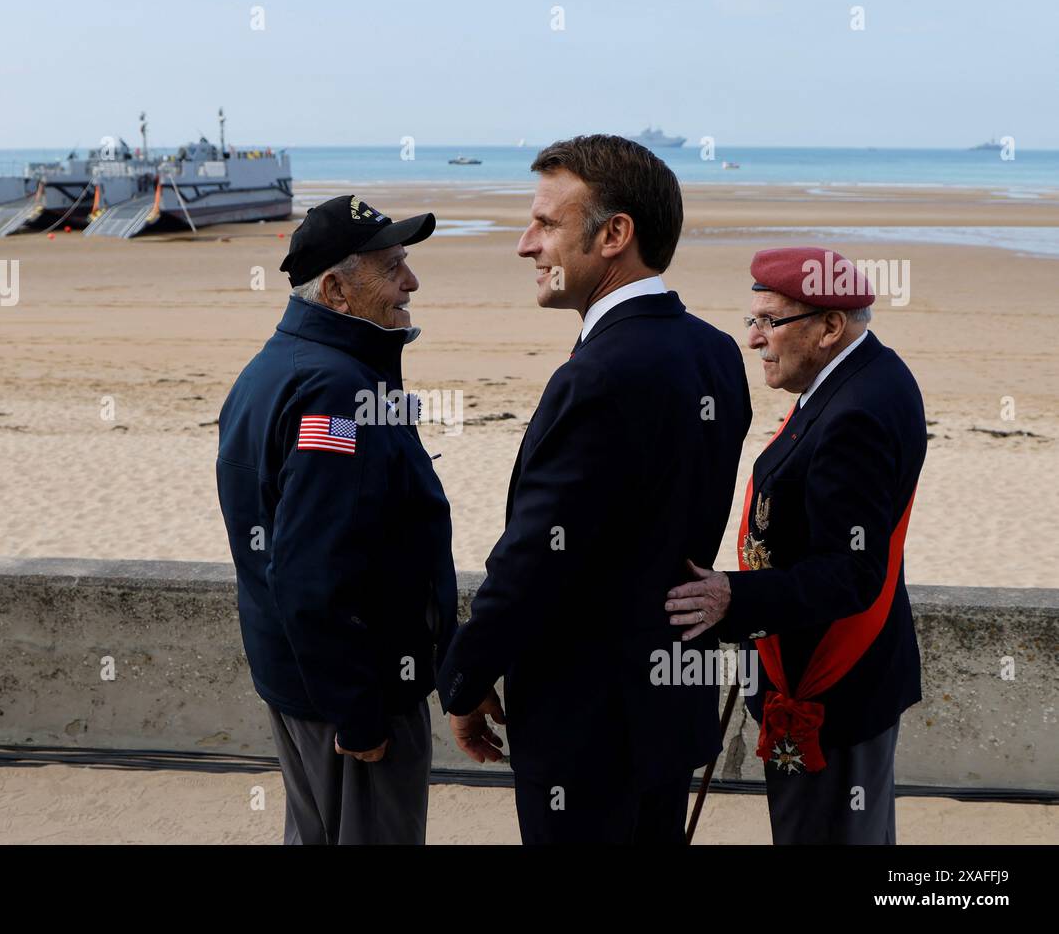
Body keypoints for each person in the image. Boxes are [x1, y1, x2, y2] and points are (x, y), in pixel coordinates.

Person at [436, 135, 752, 843]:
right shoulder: (716, 352)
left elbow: (534, 559)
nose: (526, 244)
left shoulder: (598, 375)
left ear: (615, 235)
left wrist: (464, 679)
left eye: (546, 223)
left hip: (587, 730)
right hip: (669, 710)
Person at [215, 195, 457, 844]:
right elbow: (308, 572)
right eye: (392, 267)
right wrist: (357, 710)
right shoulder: (337, 392)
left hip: (307, 684)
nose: (411, 281)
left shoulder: (278, 366)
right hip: (356, 691)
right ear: (335, 291)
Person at [664, 247, 926, 844]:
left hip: (832, 682)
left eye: (770, 321)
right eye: (752, 319)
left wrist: (734, 598)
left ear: (830, 326)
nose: (753, 339)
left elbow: (851, 573)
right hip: (839, 669)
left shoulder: (856, 414)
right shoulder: (862, 375)